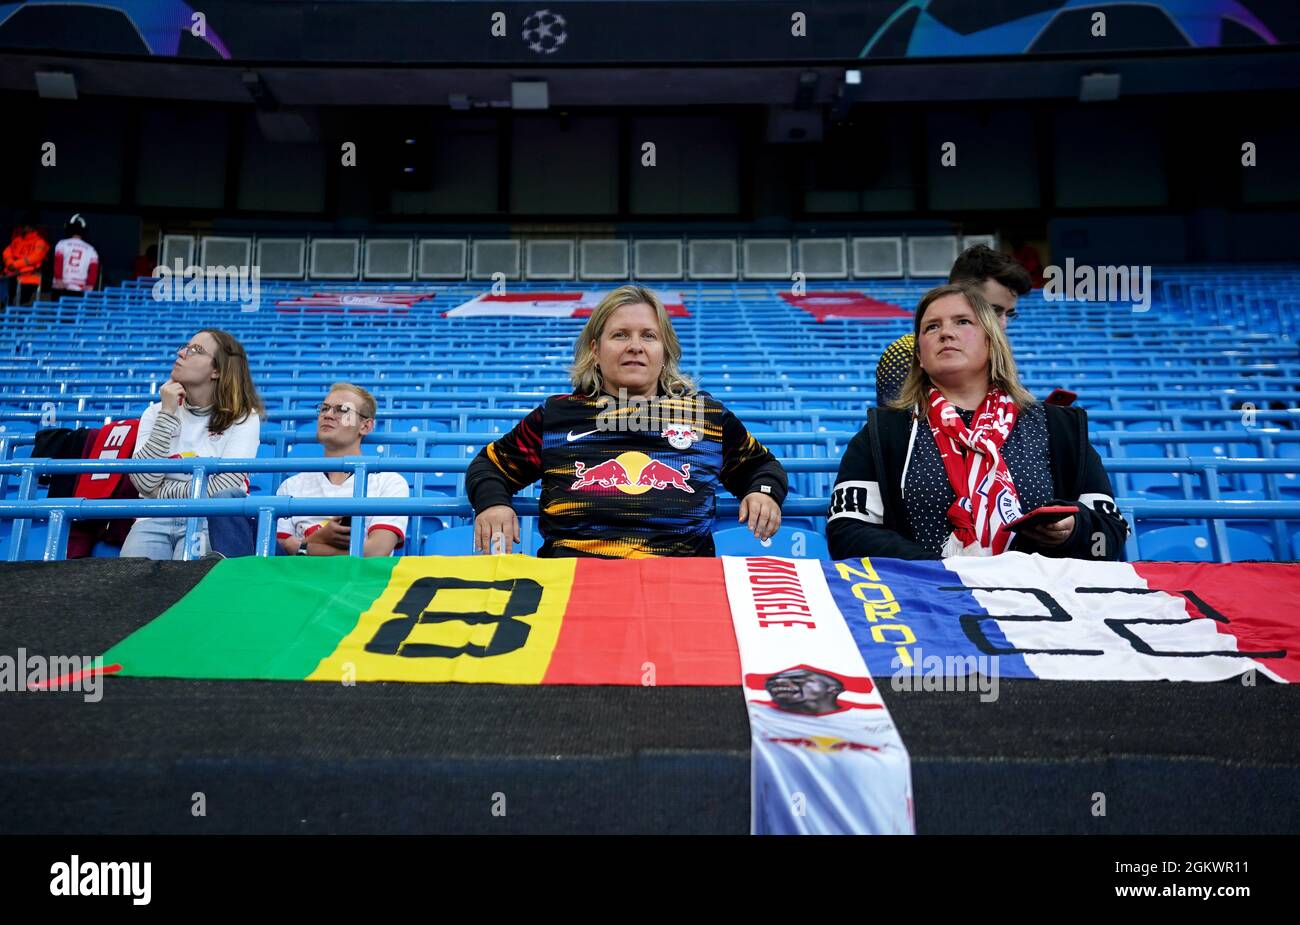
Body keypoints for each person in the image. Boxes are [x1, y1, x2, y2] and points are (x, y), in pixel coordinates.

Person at [467, 284, 787, 558]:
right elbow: (490, 465)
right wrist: (493, 504)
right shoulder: (557, 416)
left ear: (665, 352)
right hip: (574, 579)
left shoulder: (705, 416)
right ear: (595, 350)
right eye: (620, 335)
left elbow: (762, 467)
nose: (635, 346)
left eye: (648, 336)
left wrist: (762, 491)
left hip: (681, 583)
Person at [829, 283, 1127, 561]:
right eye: (931, 327)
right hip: (926, 602)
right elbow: (847, 532)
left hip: (1038, 603)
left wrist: (1074, 529)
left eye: (963, 322)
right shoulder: (885, 432)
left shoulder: (1059, 427)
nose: (946, 333)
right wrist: (938, 571)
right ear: (920, 355)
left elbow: (1110, 536)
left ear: (991, 340)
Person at [120, 329, 263, 559]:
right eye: (185, 347)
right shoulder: (155, 412)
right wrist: (167, 413)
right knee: (132, 588)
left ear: (217, 370)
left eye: (196, 350)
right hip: (152, 517)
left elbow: (223, 489)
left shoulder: (244, 418)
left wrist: (160, 492)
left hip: (207, 519)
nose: (183, 353)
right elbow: (144, 482)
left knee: (189, 583)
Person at [875, 244, 1031, 407]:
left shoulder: (995, 353)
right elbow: (902, 426)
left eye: (1009, 314)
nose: (1003, 324)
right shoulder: (905, 351)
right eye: (993, 311)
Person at [275, 383, 409, 557]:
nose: (328, 415)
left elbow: (376, 552)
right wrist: (321, 536)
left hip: (361, 582)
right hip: (298, 582)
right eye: (324, 408)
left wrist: (303, 547)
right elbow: (278, 553)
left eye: (342, 410)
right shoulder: (291, 485)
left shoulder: (389, 482)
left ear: (365, 426)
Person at [3, 217, 49, 306]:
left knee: (23, 305)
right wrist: (10, 264)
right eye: (23, 226)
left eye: (26, 226)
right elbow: (7, 252)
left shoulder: (40, 242)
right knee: (7, 302)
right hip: (11, 277)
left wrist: (15, 265)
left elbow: (36, 257)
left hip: (30, 280)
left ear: (32, 227)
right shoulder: (17, 240)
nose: (23, 228)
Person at [52, 214, 99, 298]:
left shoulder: (62, 244)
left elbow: (58, 262)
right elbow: (94, 270)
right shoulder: (91, 249)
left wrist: (58, 279)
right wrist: (90, 285)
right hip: (80, 287)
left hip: (60, 285)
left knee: (58, 310)